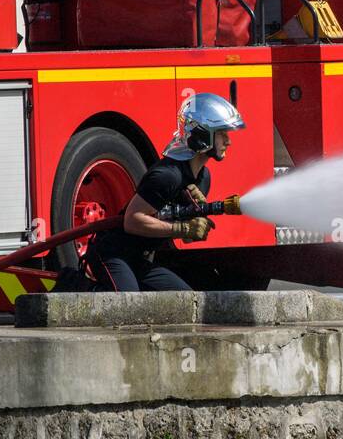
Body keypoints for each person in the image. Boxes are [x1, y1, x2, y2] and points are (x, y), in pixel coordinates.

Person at [86, 93, 245, 291]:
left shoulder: (203, 178)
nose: (228, 142)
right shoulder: (168, 176)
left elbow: (187, 238)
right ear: (204, 135)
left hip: (138, 257)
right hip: (112, 253)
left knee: (185, 300)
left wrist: (197, 223)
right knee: (128, 302)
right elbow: (132, 220)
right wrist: (182, 228)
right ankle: (75, 286)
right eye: (223, 133)